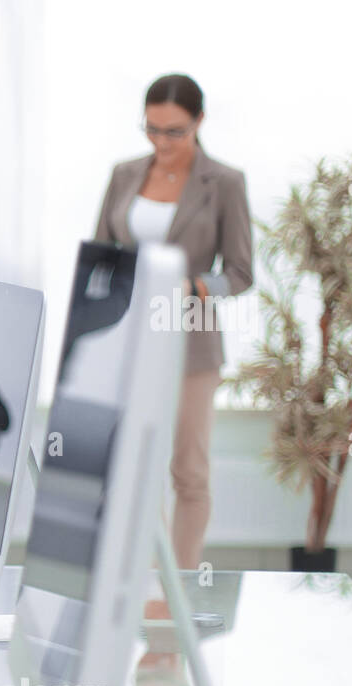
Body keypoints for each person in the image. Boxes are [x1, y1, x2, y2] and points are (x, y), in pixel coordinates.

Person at [94, 74, 253, 569]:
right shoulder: (124, 174)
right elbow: (100, 256)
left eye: (175, 132)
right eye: (153, 130)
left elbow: (241, 274)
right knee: (133, 471)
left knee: (188, 471)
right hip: (128, 339)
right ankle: (137, 581)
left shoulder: (224, 182)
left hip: (191, 345)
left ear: (199, 122)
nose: (162, 143)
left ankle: (175, 591)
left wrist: (193, 288)